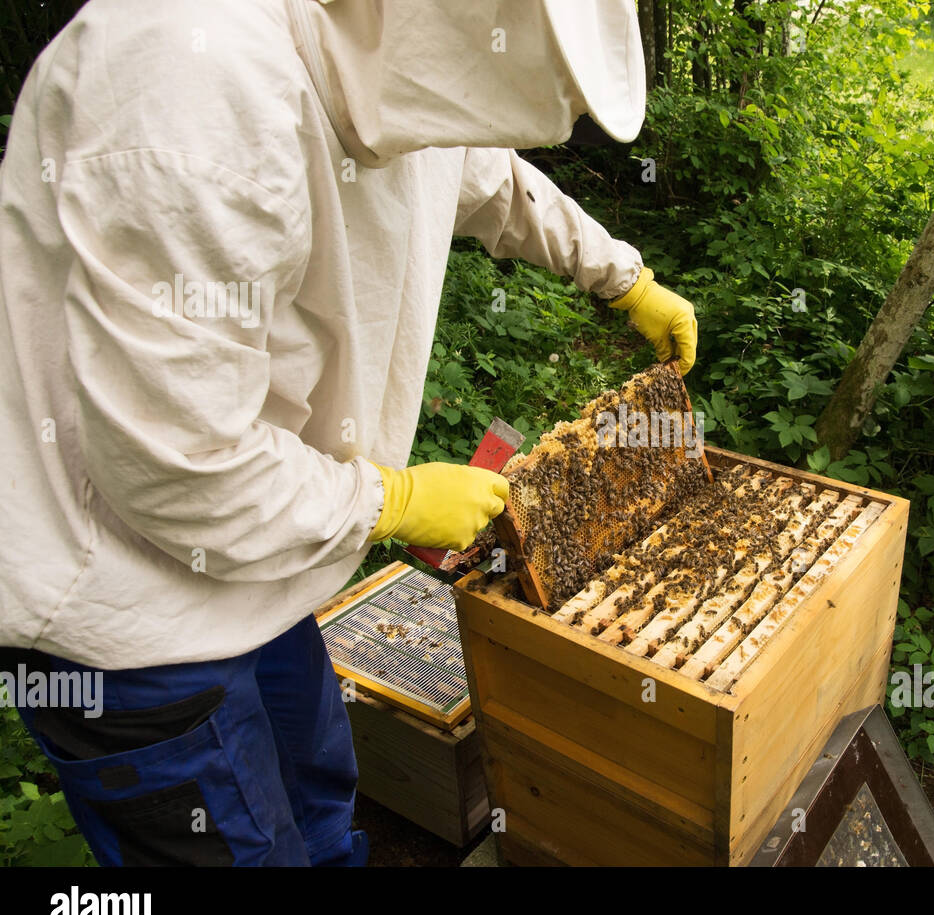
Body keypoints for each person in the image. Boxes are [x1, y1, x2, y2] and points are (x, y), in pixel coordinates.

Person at [0, 0, 697, 866]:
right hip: (122, 604)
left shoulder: (393, 63)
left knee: (321, 796)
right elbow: (174, 464)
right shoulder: (189, 88)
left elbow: (482, 173)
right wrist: (389, 500)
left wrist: (621, 277)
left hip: (261, 557)